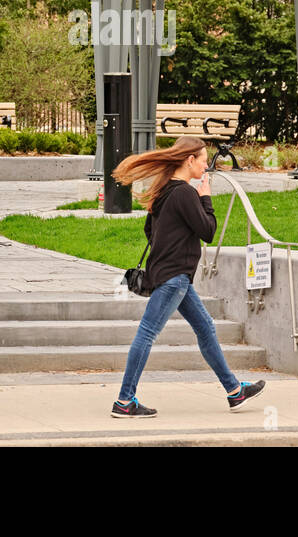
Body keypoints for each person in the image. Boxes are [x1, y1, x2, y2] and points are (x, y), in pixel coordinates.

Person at [109, 135, 266, 418]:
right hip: (175, 277)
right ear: (189, 160)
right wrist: (206, 199)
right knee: (147, 334)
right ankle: (124, 401)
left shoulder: (164, 190)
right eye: (204, 160)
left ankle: (234, 391)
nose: (206, 167)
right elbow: (207, 231)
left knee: (205, 327)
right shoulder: (185, 193)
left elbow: (150, 231)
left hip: (172, 275)